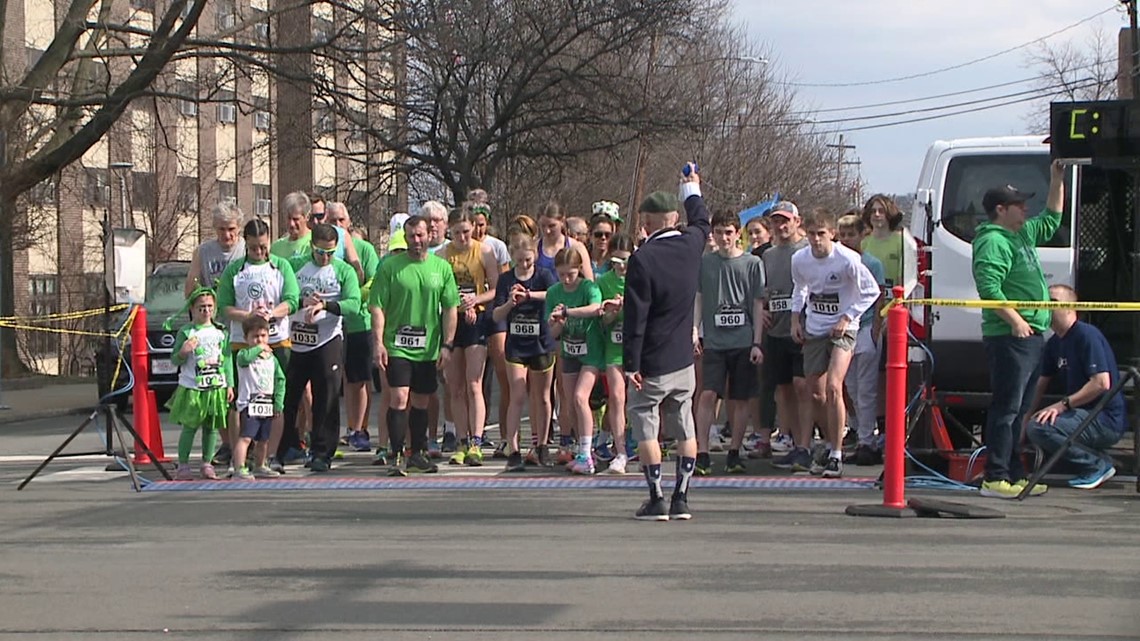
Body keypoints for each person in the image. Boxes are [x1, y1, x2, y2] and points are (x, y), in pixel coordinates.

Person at [972, 159, 1066, 499]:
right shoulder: (993, 241)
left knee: (1019, 410)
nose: (1027, 209)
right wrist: (1016, 321)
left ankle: (1013, 474)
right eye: (1019, 204)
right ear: (1001, 209)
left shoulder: (1021, 232)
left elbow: (1053, 218)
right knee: (1006, 408)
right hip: (1010, 337)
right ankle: (994, 476)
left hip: (1030, 335)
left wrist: (1057, 178)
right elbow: (989, 288)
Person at [624, 163, 710, 521]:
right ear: (674, 218)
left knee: (646, 420)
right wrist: (691, 188)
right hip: (682, 358)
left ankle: (657, 496)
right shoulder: (692, 246)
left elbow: (636, 318)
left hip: (653, 359)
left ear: (646, 223)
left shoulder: (643, 260)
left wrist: (631, 363)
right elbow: (702, 221)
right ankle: (683, 496)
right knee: (683, 421)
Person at [790, 209, 880, 479]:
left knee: (834, 386)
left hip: (844, 327)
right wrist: (796, 319)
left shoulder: (847, 258)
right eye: (811, 235)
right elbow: (800, 287)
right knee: (815, 391)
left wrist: (848, 316)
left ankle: (837, 455)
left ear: (832, 234)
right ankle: (829, 444)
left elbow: (871, 291)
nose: (816, 240)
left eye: (821, 234)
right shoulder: (800, 259)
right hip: (815, 326)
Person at [371, 215, 458, 476]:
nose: (416, 241)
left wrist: (448, 344)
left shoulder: (441, 268)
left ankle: (416, 453)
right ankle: (396, 453)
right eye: (411, 236)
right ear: (405, 237)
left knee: (421, 400)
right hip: (397, 345)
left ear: (429, 235)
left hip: (428, 347)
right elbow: (377, 306)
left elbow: (450, 308)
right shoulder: (390, 267)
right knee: (399, 397)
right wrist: (378, 343)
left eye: (420, 235)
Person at [216, 218, 300, 474]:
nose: (259, 252)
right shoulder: (235, 270)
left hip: (275, 341)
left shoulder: (281, 266)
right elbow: (224, 307)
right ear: (246, 243)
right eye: (253, 247)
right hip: (242, 342)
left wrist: (272, 313)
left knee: (275, 400)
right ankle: (237, 456)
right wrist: (248, 317)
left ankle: (269, 456)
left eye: (263, 247)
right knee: (239, 402)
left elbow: (293, 300)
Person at [1025, 285, 1124, 490]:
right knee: (1032, 425)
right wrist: (1022, 421)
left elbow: (1101, 383)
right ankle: (1099, 459)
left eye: (1052, 302)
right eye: (1044, 302)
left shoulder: (1086, 335)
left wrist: (1062, 405)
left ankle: (1097, 465)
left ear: (1071, 307)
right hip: (1083, 414)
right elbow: (1040, 385)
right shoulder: (1054, 343)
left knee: (1039, 428)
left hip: (1105, 418)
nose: (1046, 307)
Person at [283, 223, 361, 472]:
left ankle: (322, 452)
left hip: (328, 339)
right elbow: (283, 295)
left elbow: (353, 304)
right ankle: (286, 445)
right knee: (289, 396)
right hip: (297, 340)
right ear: (311, 246)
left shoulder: (343, 271)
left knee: (325, 397)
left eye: (330, 253)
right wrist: (300, 302)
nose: (325, 258)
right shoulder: (296, 266)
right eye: (319, 252)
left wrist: (326, 307)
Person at [694, 210, 765, 476]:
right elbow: (699, 298)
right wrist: (694, 330)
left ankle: (735, 451)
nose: (723, 238)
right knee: (708, 393)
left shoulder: (752, 264)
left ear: (738, 234)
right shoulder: (705, 263)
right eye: (718, 232)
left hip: (743, 339)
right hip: (714, 340)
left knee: (740, 397)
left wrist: (757, 342)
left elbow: (758, 304)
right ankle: (701, 451)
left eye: (728, 232)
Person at [436, 206, 500, 467]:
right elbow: (440, 290)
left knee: (474, 383)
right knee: (455, 386)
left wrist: (476, 300)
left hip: (477, 319)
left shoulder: (484, 251)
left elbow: (497, 289)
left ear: (473, 228)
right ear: (449, 232)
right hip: (453, 320)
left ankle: (476, 440)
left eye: (466, 232)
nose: (462, 238)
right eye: (457, 233)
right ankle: (461, 440)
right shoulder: (442, 254)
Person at [492, 233, 558, 471]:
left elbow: (555, 294)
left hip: (541, 341)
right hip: (517, 344)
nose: (525, 265)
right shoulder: (505, 279)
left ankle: (541, 445)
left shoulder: (544, 275)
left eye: (528, 260)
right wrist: (511, 302)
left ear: (535, 256)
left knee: (542, 396)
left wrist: (530, 295)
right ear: (513, 258)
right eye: (520, 261)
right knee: (517, 395)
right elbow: (496, 315)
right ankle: (514, 448)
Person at [762, 202, 813, 471]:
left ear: (797, 221)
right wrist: (763, 310)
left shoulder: (807, 250)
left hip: (804, 330)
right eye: (776, 222)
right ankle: (794, 444)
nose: (781, 227)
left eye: (785, 221)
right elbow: (766, 292)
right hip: (777, 330)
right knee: (783, 390)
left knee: (803, 387)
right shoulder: (769, 256)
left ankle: (808, 445)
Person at [327, 203, 382, 452]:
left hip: (359, 320)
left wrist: (352, 298)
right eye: (333, 220)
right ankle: (349, 427)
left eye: (342, 220)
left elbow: (373, 279)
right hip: (332, 323)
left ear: (348, 222)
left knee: (361, 379)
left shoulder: (364, 248)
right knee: (345, 378)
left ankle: (360, 429)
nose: (338, 226)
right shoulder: (324, 250)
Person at [545, 248, 605, 474]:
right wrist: (557, 320)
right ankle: (583, 449)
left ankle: (587, 455)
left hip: (591, 351)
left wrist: (569, 312)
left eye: (571, 274)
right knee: (570, 403)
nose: (567, 279)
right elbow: (552, 333)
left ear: (579, 270)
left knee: (581, 398)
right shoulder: (553, 293)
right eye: (562, 275)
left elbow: (595, 309)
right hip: (569, 350)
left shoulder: (589, 287)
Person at [167, 288, 235, 480]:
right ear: (192, 309)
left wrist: (229, 384)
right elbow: (175, 360)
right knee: (190, 426)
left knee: (211, 426)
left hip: (215, 386)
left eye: (209, 307)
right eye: (201, 307)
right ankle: (183, 465)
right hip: (193, 387)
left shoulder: (221, 332)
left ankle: (207, 463)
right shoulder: (187, 332)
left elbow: (227, 360)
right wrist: (183, 351)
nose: (206, 311)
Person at [836, 213, 886, 466]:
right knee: (851, 387)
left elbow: (879, 299)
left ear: (862, 235)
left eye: (850, 235)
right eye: (842, 235)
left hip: (865, 328)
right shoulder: (837, 262)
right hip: (844, 330)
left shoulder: (872, 263)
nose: (845, 240)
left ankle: (869, 441)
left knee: (865, 389)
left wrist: (877, 328)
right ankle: (860, 432)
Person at [467, 193, 513, 459]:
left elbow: (503, 282)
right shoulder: (461, 246)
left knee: (502, 373)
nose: (478, 229)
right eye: (474, 223)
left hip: (493, 313)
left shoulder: (496, 246)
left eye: (482, 223)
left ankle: (507, 435)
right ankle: (477, 431)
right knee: (476, 378)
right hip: (472, 315)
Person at [596, 235, 633, 474]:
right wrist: (611, 312)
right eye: (616, 261)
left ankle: (638, 441)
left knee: (639, 399)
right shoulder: (603, 282)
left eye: (626, 261)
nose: (621, 267)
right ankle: (620, 453)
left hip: (637, 346)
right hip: (613, 346)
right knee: (617, 397)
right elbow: (602, 321)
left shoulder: (639, 278)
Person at [232, 315, 286, 480]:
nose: (260, 340)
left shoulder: (272, 359)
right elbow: (244, 359)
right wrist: (259, 348)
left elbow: (280, 379)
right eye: (255, 337)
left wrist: (278, 402)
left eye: (263, 336)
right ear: (246, 338)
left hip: (266, 403)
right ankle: (239, 467)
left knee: (264, 439)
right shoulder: (244, 354)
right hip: (249, 403)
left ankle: (260, 465)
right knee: (246, 437)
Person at [185, 202, 245, 297]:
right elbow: (190, 292)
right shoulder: (202, 252)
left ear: (239, 228)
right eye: (222, 229)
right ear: (215, 227)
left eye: (231, 229)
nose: (226, 235)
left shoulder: (247, 250)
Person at [860, 194, 907, 289]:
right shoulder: (862, 242)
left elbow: (904, 279)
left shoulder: (902, 242)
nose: (876, 214)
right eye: (873, 211)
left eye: (881, 211)